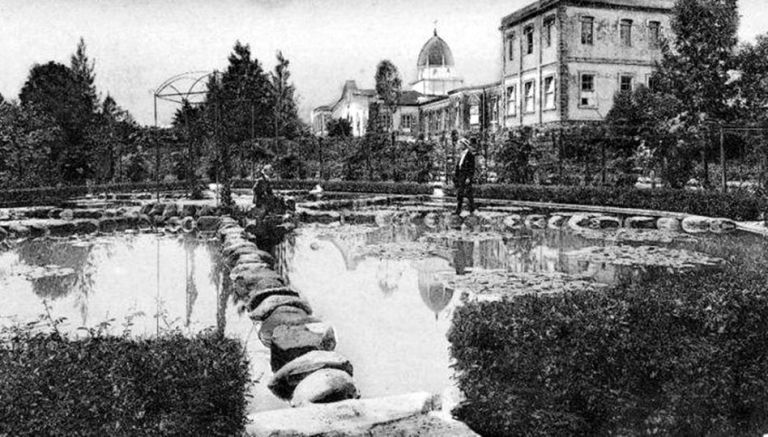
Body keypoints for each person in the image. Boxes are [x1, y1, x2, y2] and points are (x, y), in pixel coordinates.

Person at [453, 137, 476, 215]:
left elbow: (471, 167)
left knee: (468, 193)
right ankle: (459, 210)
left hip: (465, 176)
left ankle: (471, 209)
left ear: (464, 145)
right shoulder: (461, 154)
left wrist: (469, 177)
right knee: (460, 193)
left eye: (461, 144)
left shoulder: (470, 155)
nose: (460, 145)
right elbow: (459, 165)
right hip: (460, 175)